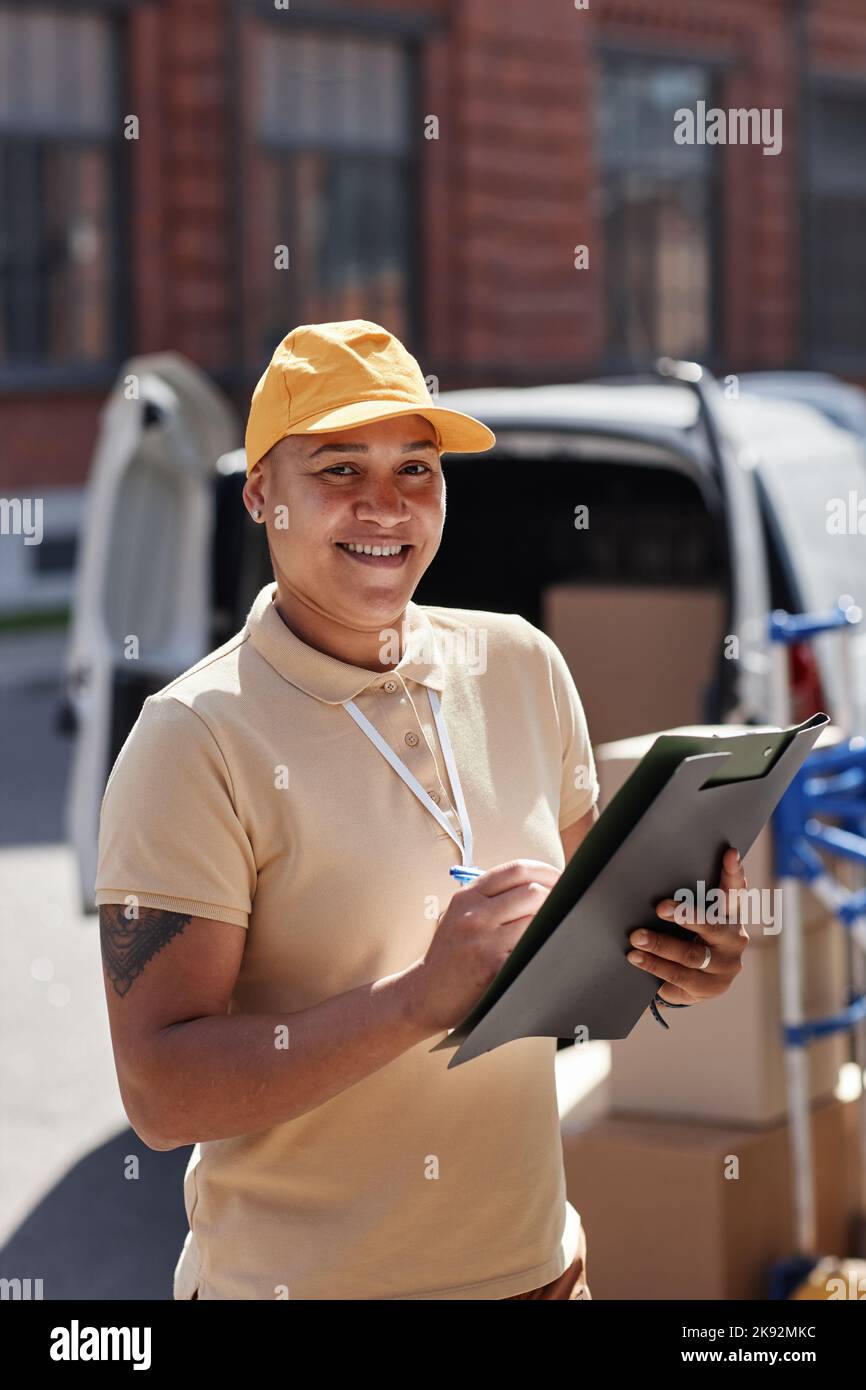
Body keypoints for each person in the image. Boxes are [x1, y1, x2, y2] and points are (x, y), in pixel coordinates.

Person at [94, 319, 750, 1300]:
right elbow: (159, 1091)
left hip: (539, 1273)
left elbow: (577, 949)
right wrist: (412, 1002)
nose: (385, 506)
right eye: (339, 468)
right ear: (261, 494)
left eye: (415, 467)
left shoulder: (521, 664)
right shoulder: (193, 735)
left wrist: (678, 959)